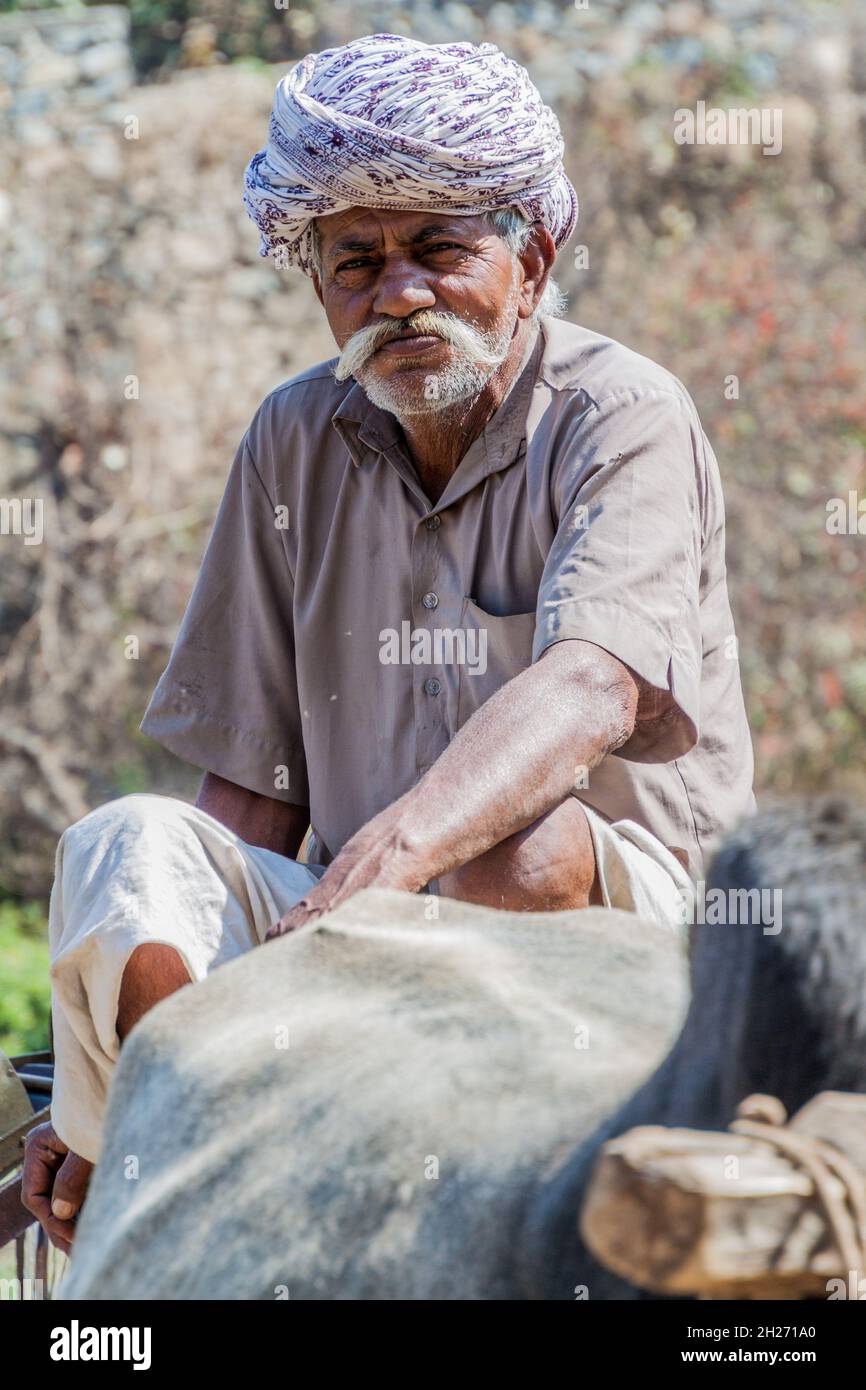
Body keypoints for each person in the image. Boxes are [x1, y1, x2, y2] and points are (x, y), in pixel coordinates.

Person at [23, 32, 754, 1254]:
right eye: (353, 260)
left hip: (622, 915)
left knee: (513, 852)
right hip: (342, 940)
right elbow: (248, 791)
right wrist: (123, 1030)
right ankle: (170, 1151)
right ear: (315, 283)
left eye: (439, 249)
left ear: (532, 255)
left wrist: (387, 866)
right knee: (126, 842)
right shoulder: (292, 438)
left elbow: (591, 685)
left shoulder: (620, 414)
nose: (396, 294)